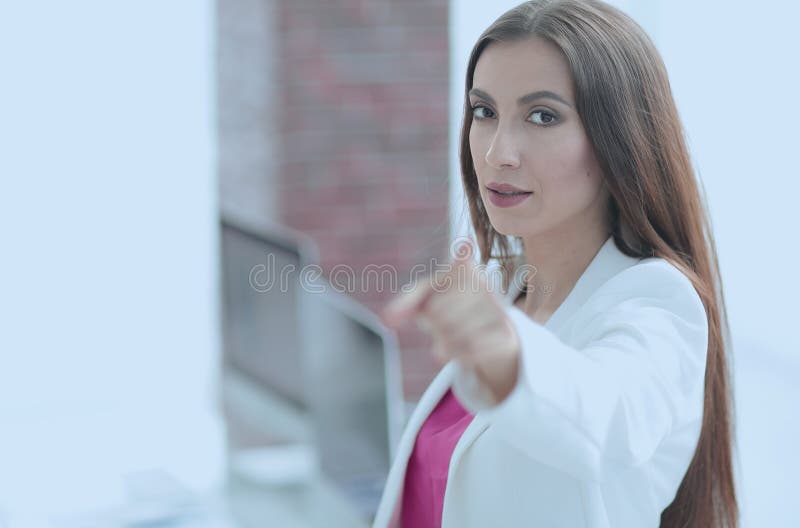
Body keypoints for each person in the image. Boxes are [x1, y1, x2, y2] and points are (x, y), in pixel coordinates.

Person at [372, 1, 738, 527]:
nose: (499, 152)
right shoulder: (504, 284)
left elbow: (613, 417)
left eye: (542, 116)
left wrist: (504, 352)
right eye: (484, 111)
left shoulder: (657, 303)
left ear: (620, 140)